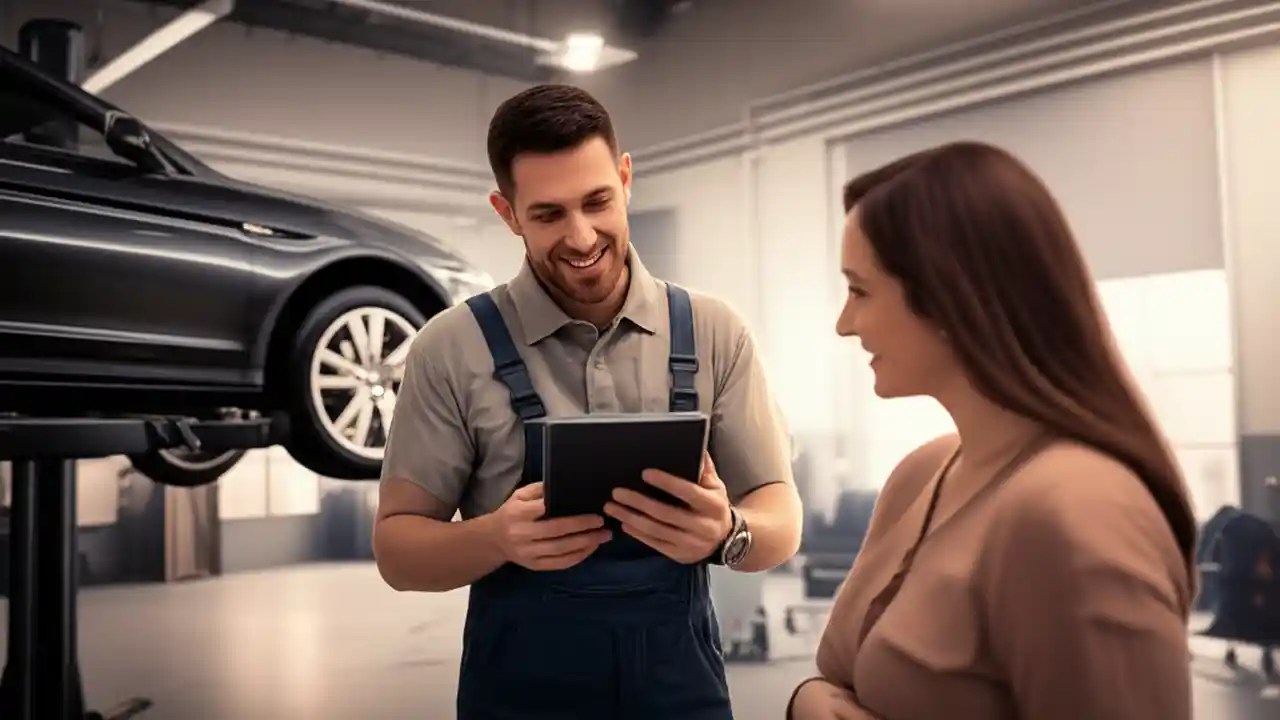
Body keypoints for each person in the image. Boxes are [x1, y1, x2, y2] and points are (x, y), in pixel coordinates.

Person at [372, 84, 803, 719]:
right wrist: (497, 538)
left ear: (625, 179)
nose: (580, 237)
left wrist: (728, 532)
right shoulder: (450, 348)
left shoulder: (714, 332)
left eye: (597, 201)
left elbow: (780, 511)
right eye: (547, 214)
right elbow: (397, 549)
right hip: (519, 697)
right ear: (507, 211)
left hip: (679, 694)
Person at [788, 142, 1198, 720]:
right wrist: (805, 700)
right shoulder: (924, 472)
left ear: (952, 300)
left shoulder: (1077, 510)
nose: (844, 324)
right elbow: (839, 679)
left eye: (860, 291)